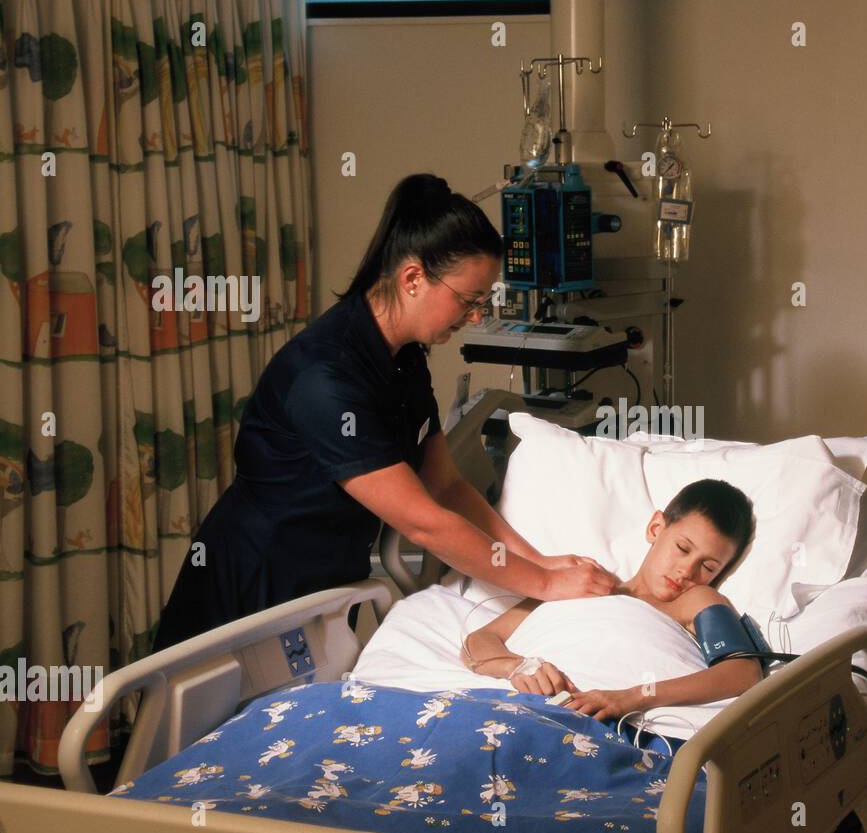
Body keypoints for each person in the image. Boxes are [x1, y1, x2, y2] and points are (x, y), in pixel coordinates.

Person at [153, 174, 616, 653]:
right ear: (413, 278)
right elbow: (425, 523)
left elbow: (446, 486)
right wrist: (542, 585)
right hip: (253, 589)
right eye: (470, 300)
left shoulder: (405, 357)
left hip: (325, 583)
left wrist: (541, 562)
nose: (477, 316)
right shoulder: (324, 379)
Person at [457, 479, 766, 722]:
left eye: (708, 567)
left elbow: (742, 671)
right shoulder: (581, 581)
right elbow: (481, 639)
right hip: (517, 706)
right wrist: (518, 667)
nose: (687, 570)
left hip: (598, 720)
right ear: (656, 528)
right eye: (683, 548)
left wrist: (629, 698)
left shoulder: (695, 599)